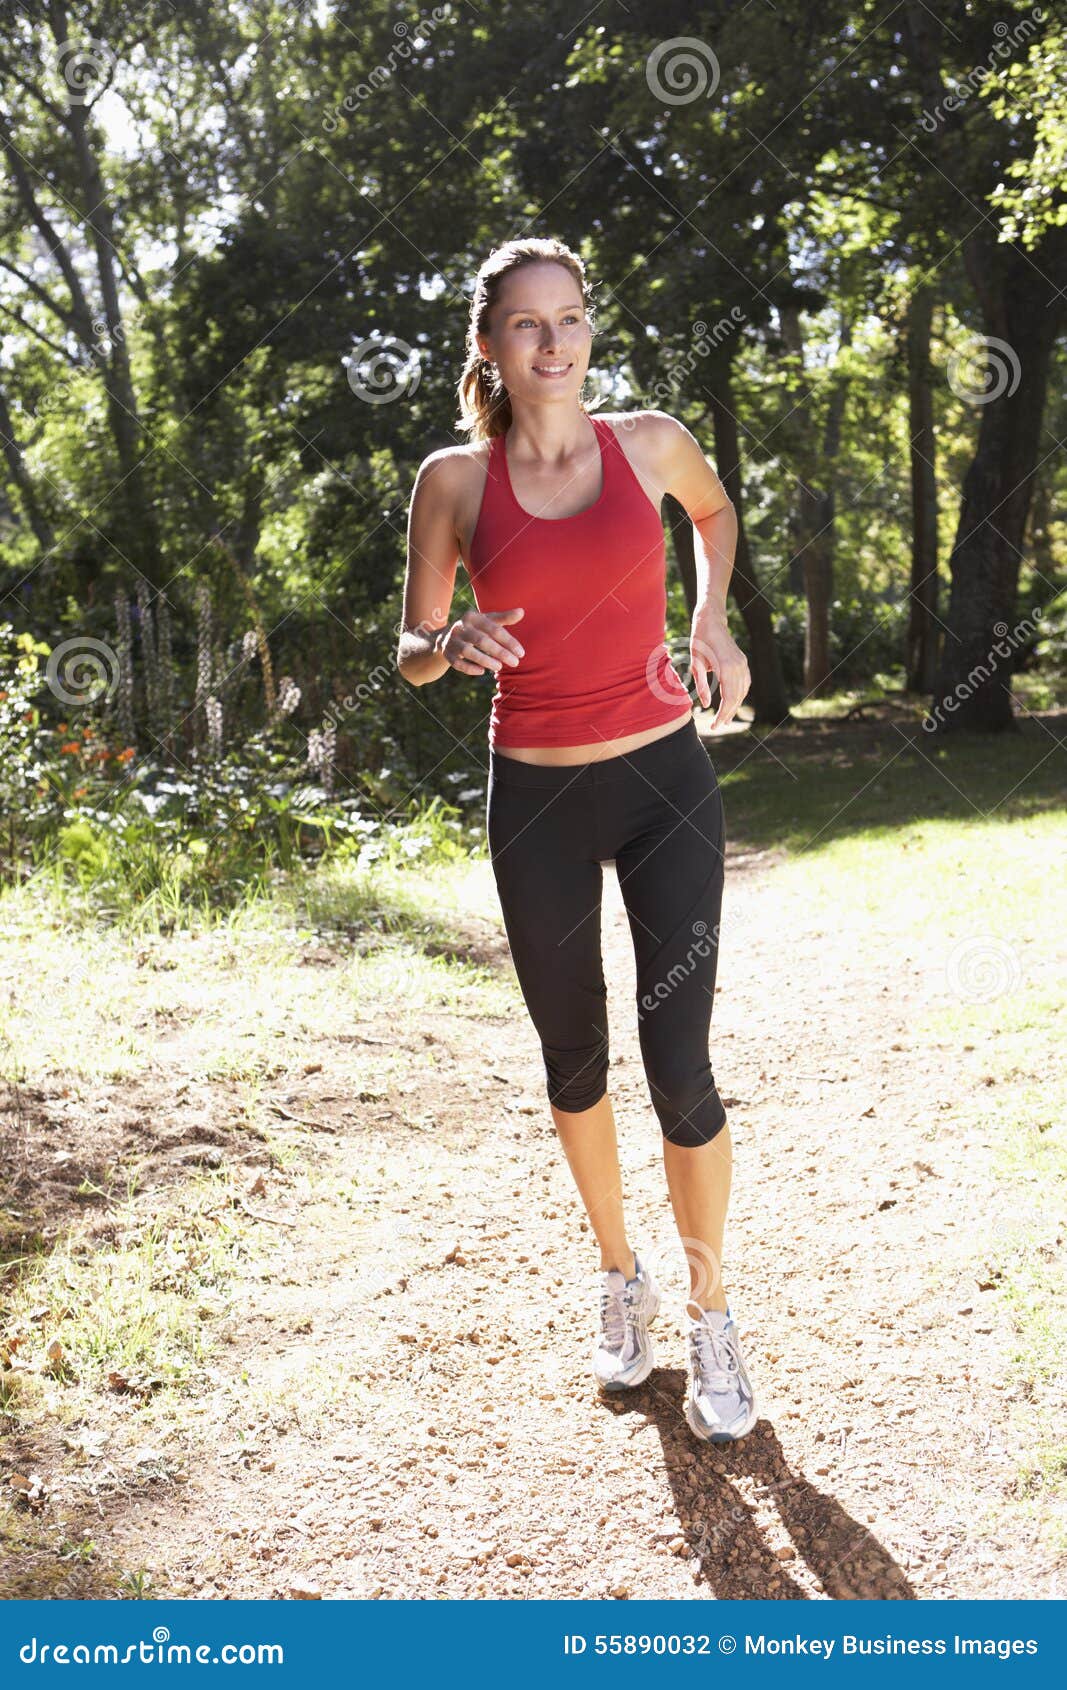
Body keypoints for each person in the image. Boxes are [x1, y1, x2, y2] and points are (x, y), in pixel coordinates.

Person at [396, 237, 757, 1443]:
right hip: (535, 799)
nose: (553, 343)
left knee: (681, 1062)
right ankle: (621, 1279)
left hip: (662, 783)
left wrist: (710, 623)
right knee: (572, 1059)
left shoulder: (645, 442)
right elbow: (411, 647)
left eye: (570, 318)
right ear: (489, 346)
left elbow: (713, 515)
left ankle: (710, 1312)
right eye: (525, 325)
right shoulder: (452, 480)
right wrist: (454, 645)